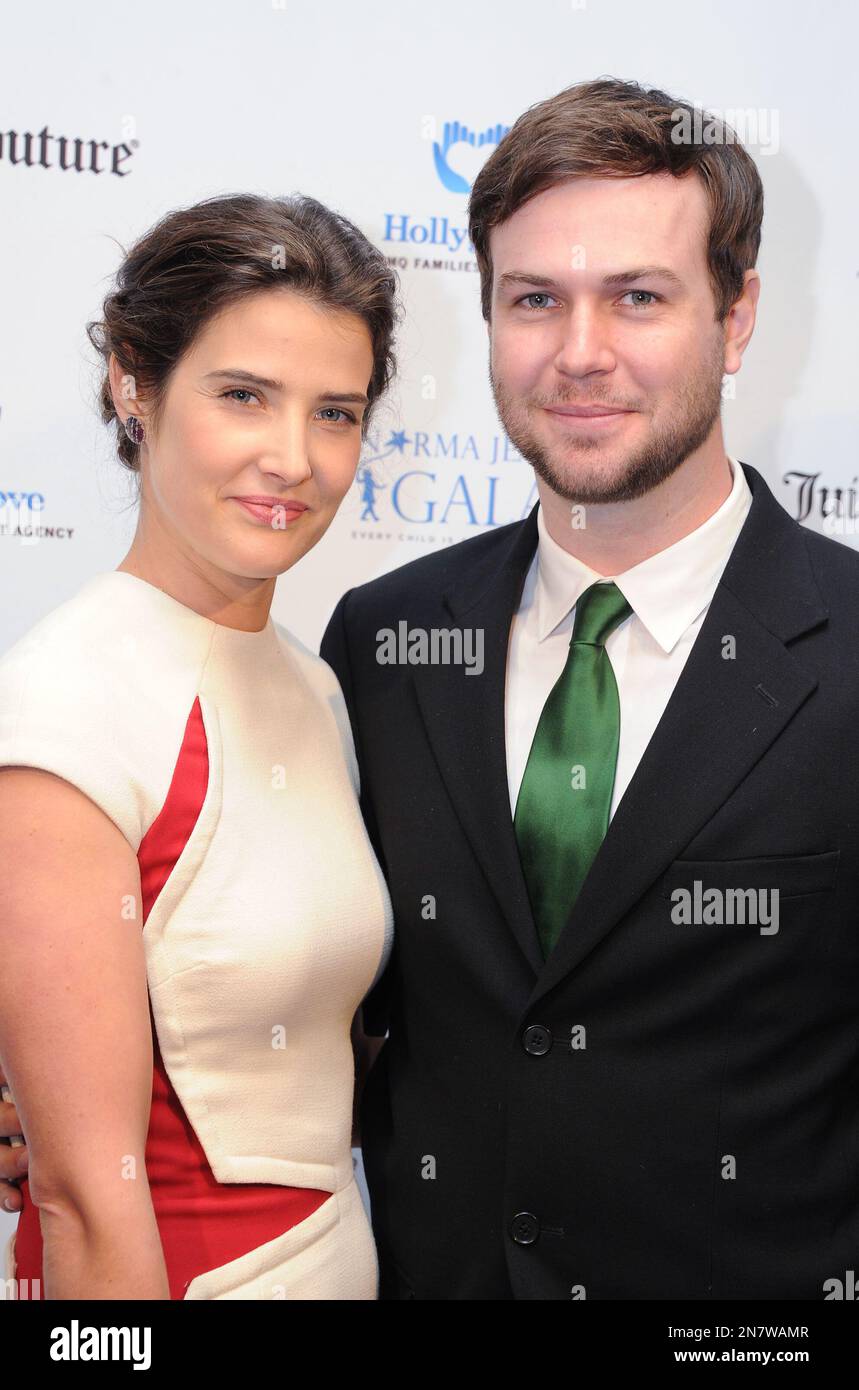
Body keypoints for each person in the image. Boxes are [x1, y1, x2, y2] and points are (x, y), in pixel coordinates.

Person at [314, 78, 859, 1299]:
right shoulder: (386, 639)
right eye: (534, 301)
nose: (579, 353)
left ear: (737, 316)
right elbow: (334, 1009)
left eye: (638, 297)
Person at [0, 191, 397, 1299]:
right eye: (244, 396)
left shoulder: (316, 684)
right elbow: (80, 1194)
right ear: (135, 380)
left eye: (335, 412)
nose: (294, 458)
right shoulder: (65, 704)